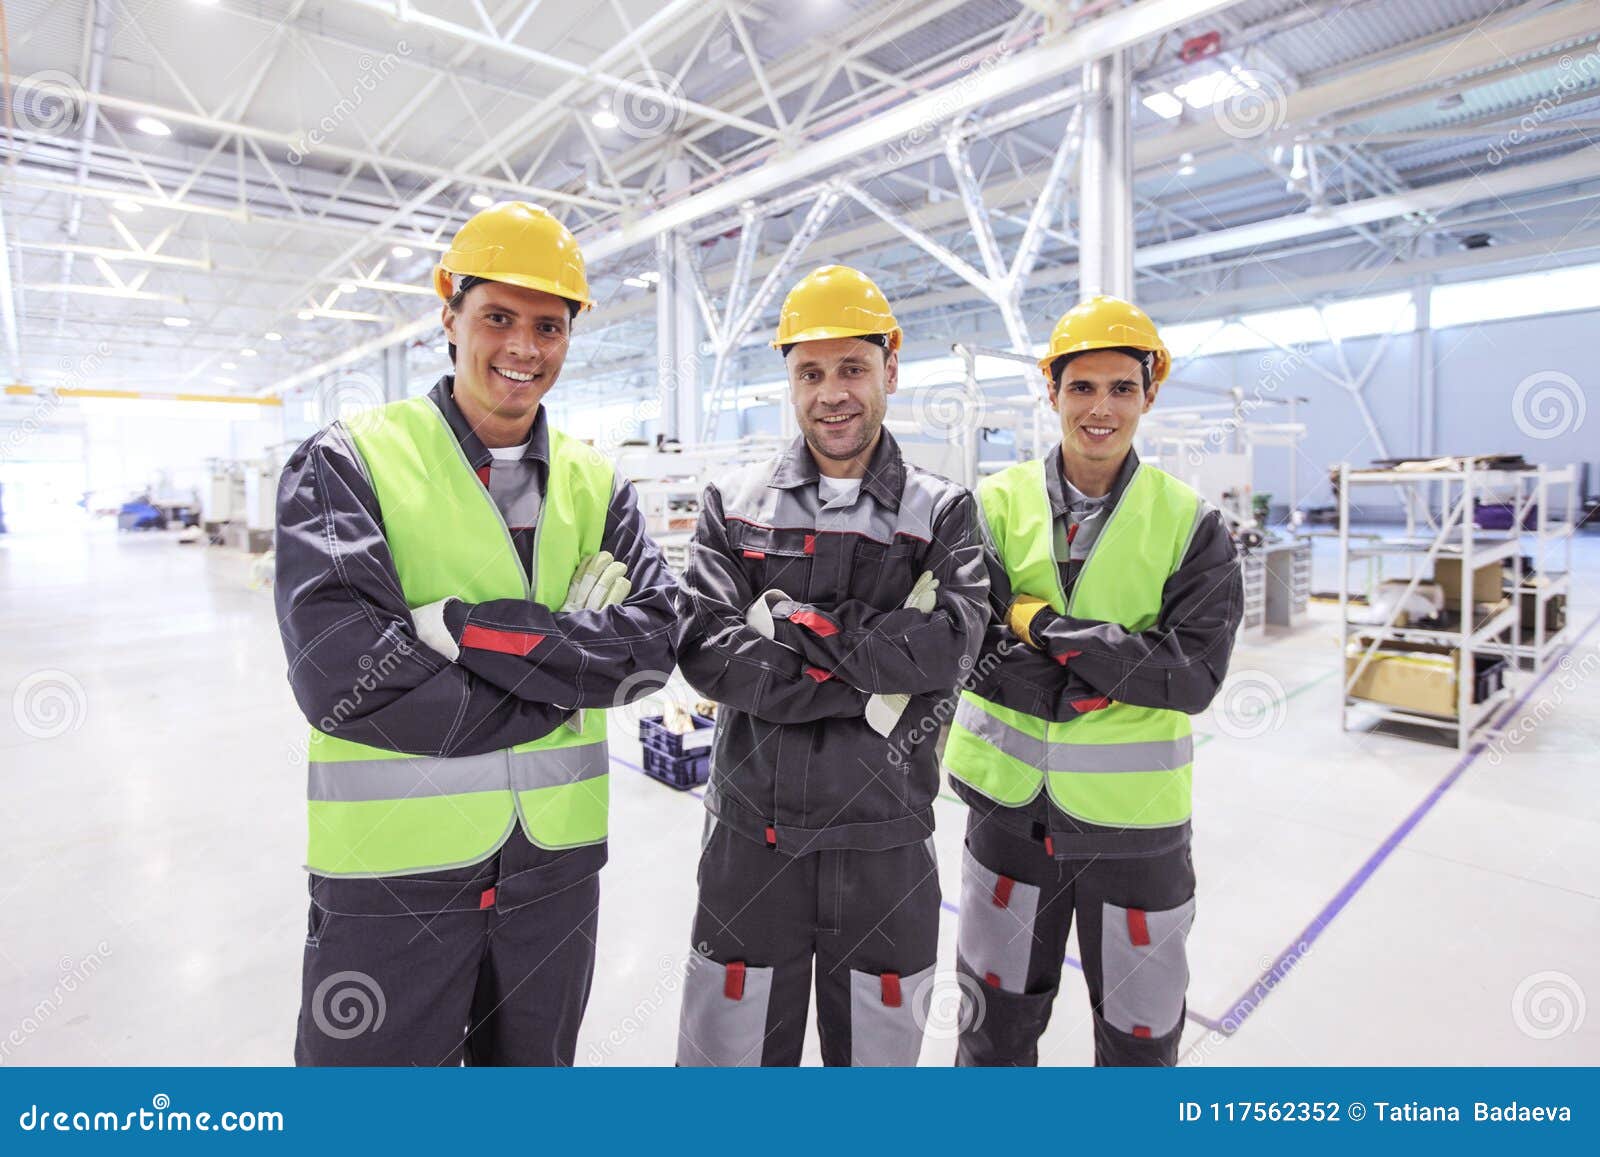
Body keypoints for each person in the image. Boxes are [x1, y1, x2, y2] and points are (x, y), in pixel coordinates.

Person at [275, 200, 678, 1066]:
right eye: (498, 317)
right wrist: (568, 669)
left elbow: (649, 650)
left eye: (547, 325)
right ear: (448, 313)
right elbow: (344, 674)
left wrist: (458, 630)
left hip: (554, 871)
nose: (523, 348)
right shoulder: (348, 461)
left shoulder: (596, 481)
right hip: (394, 876)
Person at [674, 265, 988, 1066]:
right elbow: (708, 651)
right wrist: (875, 668)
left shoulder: (943, 510)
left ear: (890, 367)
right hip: (752, 847)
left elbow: (951, 646)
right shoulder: (732, 500)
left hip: (886, 850)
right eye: (810, 372)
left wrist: (789, 633)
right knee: (728, 1075)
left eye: (852, 367)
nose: (832, 392)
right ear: (789, 380)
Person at [942, 295, 1242, 1066]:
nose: (1100, 408)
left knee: (1140, 1045)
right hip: (1009, 823)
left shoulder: (1190, 524)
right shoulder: (992, 506)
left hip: (1135, 832)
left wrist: (1043, 627)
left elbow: (1193, 673)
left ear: (1149, 394)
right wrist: (1107, 670)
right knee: (991, 1036)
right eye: (1082, 387)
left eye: (1121, 388)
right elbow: (962, 640)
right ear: (1052, 393)